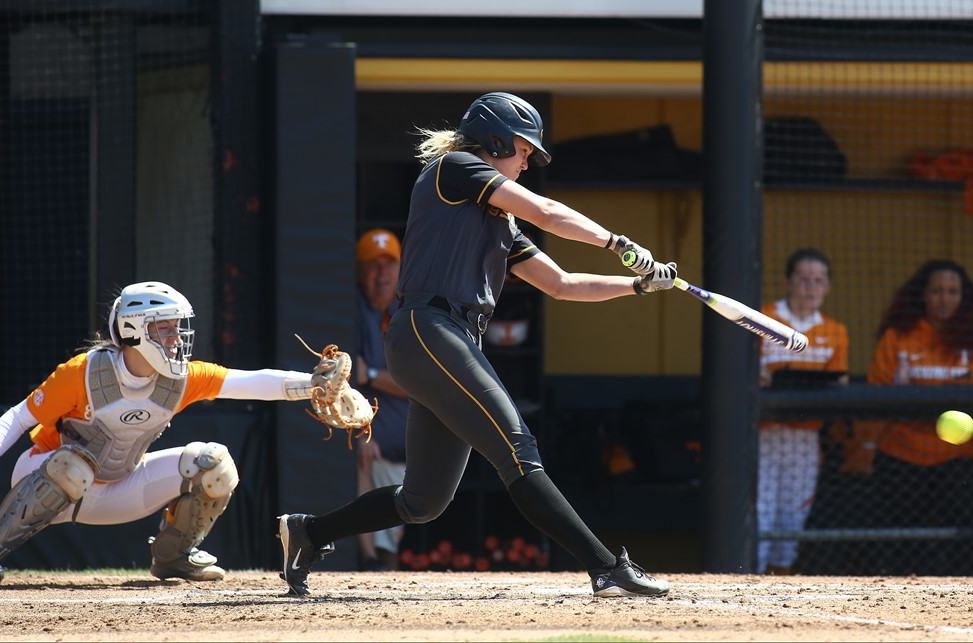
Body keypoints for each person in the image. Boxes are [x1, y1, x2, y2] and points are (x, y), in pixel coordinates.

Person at [277, 91, 677, 597]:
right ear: (494, 138)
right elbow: (549, 213)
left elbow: (562, 285)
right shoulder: (455, 168)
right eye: (523, 150)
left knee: (421, 501)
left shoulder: (498, 218)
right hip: (428, 329)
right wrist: (619, 244)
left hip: (448, 340)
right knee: (518, 451)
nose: (527, 162)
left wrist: (637, 285)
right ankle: (606, 568)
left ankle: (308, 533)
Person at [0, 281, 338, 587]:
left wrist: (312, 385)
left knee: (214, 464)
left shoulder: (181, 380)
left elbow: (248, 381)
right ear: (134, 329)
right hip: (47, 477)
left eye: (176, 328)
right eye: (164, 328)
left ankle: (173, 557)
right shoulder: (84, 373)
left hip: (118, 487)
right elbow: (18, 417)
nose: (176, 339)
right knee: (75, 464)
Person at [863, 259, 973, 575]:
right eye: (936, 290)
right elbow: (875, 391)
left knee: (964, 539)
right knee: (899, 541)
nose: (944, 298)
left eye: (953, 291)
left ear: (963, 297)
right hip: (901, 456)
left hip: (958, 459)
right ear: (922, 295)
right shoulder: (898, 337)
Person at [756, 248, 849, 575]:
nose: (810, 287)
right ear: (788, 282)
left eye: (818, 280)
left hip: (806, 435)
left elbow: (839, 382)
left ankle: (778, 581)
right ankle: (748, 580)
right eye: (803, 279)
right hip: (764, 433)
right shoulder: (763, 316)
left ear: (827, 287)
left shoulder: (836, 331)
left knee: (793, 511)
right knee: (762, 509)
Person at [353, 228, 409, 571]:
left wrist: (372, 375)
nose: (382, 274)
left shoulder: (410, 311)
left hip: (411, 447)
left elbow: (419, 383)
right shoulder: (351, 311)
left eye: (389, 265)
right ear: (359, 270)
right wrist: (361, 430)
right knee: (362, 456)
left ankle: (384, 565)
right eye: (373, 266)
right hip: (371, 444)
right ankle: (369, 560)